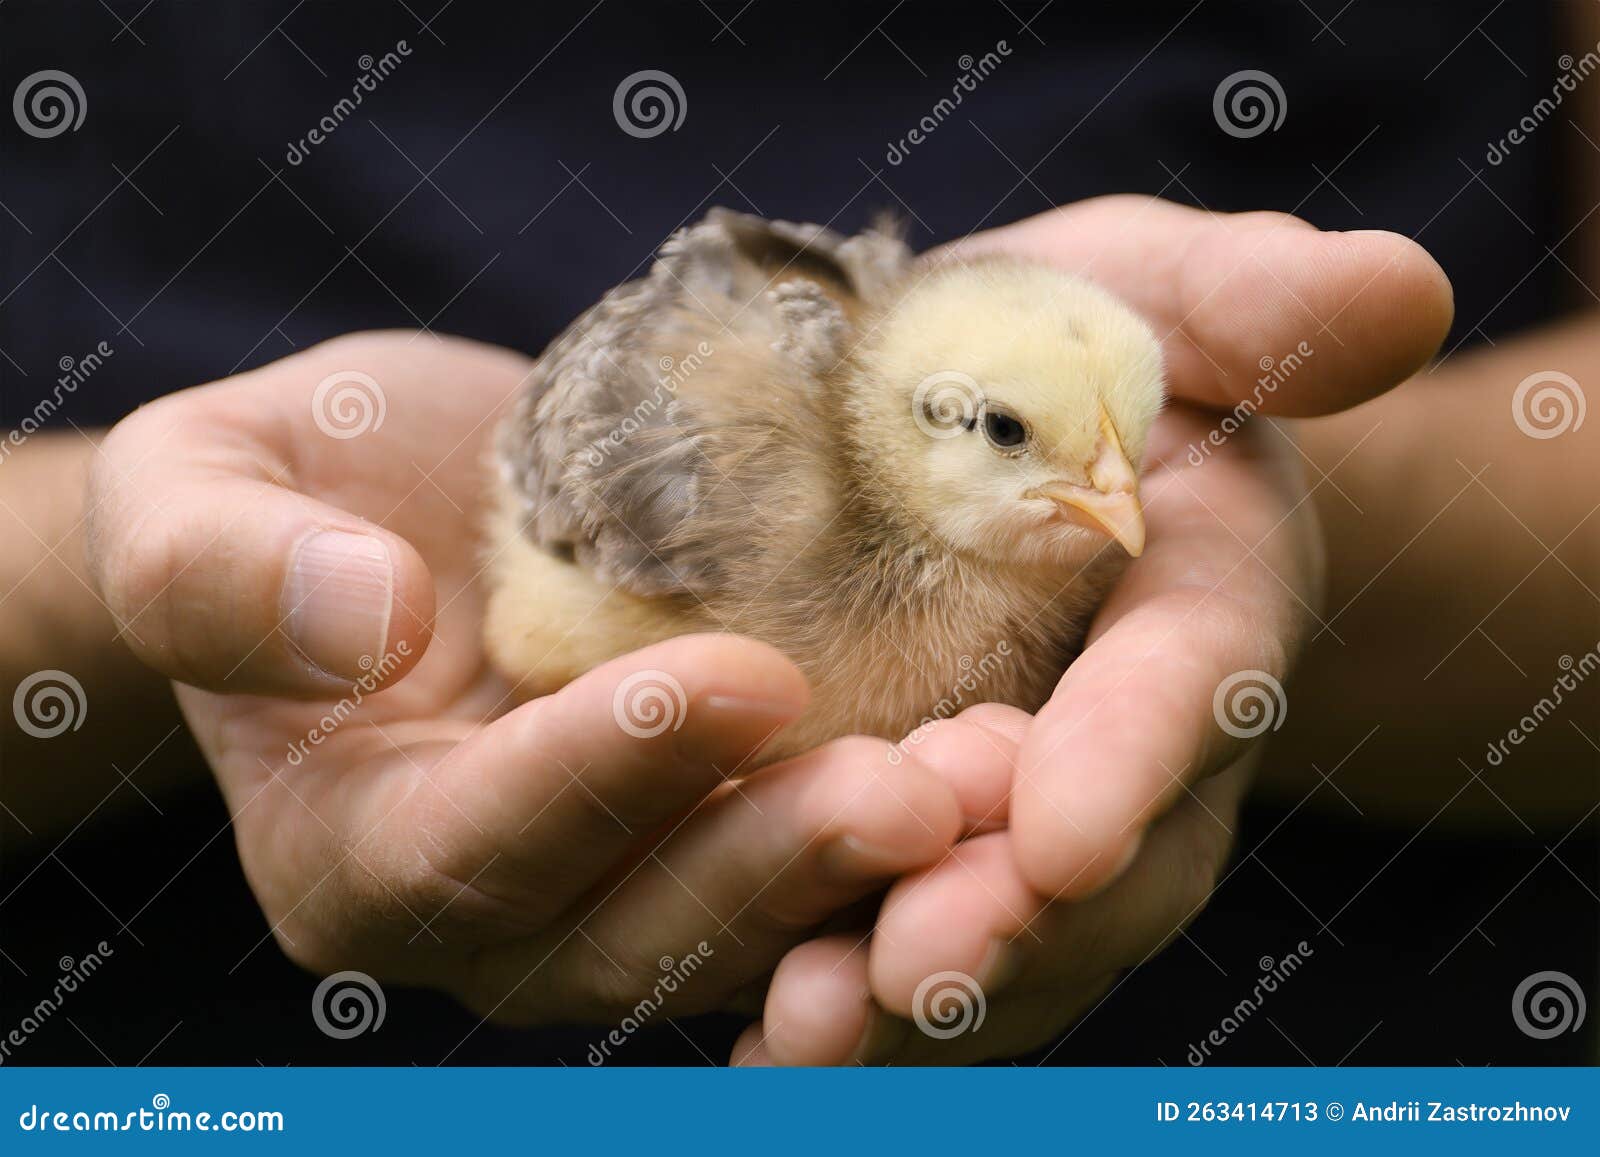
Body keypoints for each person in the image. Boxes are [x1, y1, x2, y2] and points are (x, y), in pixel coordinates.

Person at [2, 3, 1593, 1065]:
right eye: (1033, 445)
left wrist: (1297, 514)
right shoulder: (720, 482)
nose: (1123, 505)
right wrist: (141, 584)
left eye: (1133, 457)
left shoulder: (1056, 487)